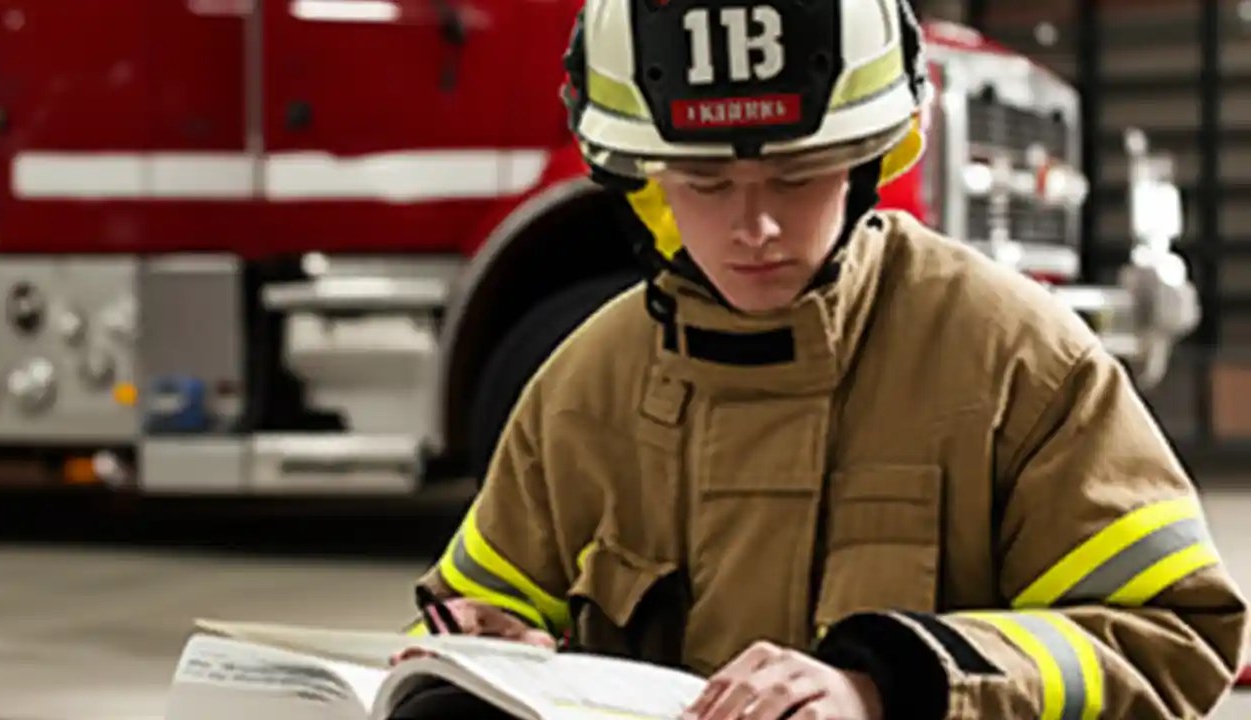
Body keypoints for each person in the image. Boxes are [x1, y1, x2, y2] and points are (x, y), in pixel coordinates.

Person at [391, 0, 1250, 718]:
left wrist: (888, 682)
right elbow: (476, 615)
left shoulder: (1016, 363)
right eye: (707, 184)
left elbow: (1175, 633)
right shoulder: (584, 389)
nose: (753, 226)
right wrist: (489, 647)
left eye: (797, 177)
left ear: (869, 159)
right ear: (644, 178)